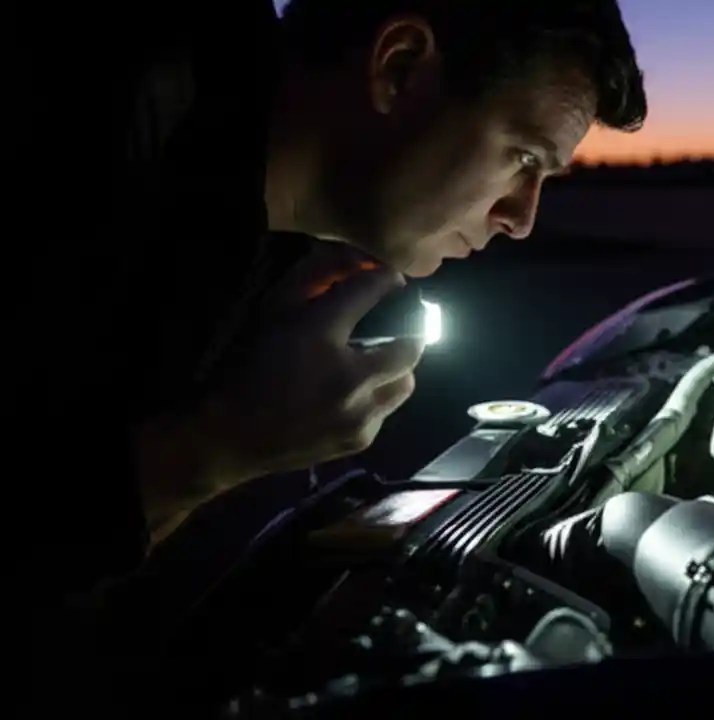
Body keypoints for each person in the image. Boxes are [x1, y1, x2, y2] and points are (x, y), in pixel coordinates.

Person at [23, 0, 646, 682]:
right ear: (400, 68)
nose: (520, 219)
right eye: (522, 157)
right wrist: (221, 446)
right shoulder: (97, 117)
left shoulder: (253, 258)